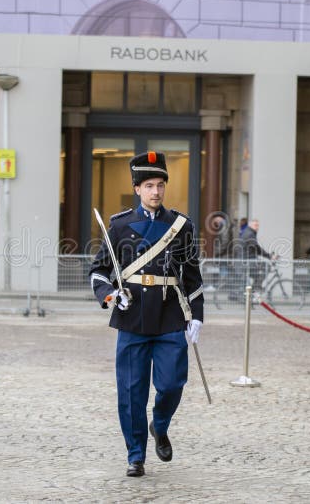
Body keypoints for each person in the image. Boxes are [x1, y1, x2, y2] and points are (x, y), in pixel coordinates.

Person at [89, 151, 204, 478]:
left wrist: (196, 315)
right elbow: (99, 271)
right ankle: (135, 454)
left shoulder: (181, 226)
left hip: (169, 316)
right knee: (131, 391)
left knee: (171, 384)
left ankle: (161, 424)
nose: (156, 191)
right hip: (132, 317)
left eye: (160, 185)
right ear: (137, 188)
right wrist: (111, 295)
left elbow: (192, 275)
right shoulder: (120, 225)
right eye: (149, 185)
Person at [239, 219, 273, 290]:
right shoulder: (250, 234)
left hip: (248, 260)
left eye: (258, 225)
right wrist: (269, 256)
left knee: (257, 275)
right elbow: (257, 248)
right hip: (248, 261)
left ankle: (253, 289)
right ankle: (255, 287)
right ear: (250, 225)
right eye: (255, 225)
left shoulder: (249, 232)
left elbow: (256, 248)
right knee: (267, 266)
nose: (257, 227)